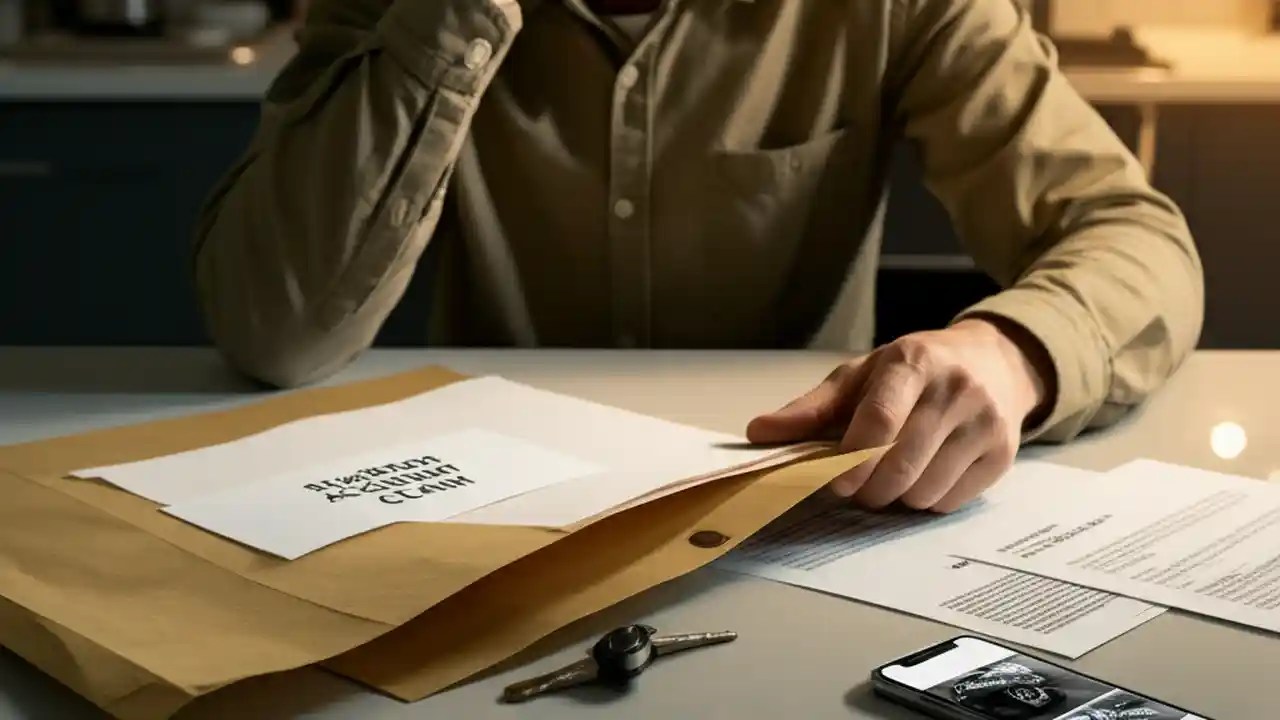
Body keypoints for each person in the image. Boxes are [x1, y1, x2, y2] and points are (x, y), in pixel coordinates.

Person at [193, 0, 1203, 514]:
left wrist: (1010, 352)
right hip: (483, 515)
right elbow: (274, 326)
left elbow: (1131, 234)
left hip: (802, 518)